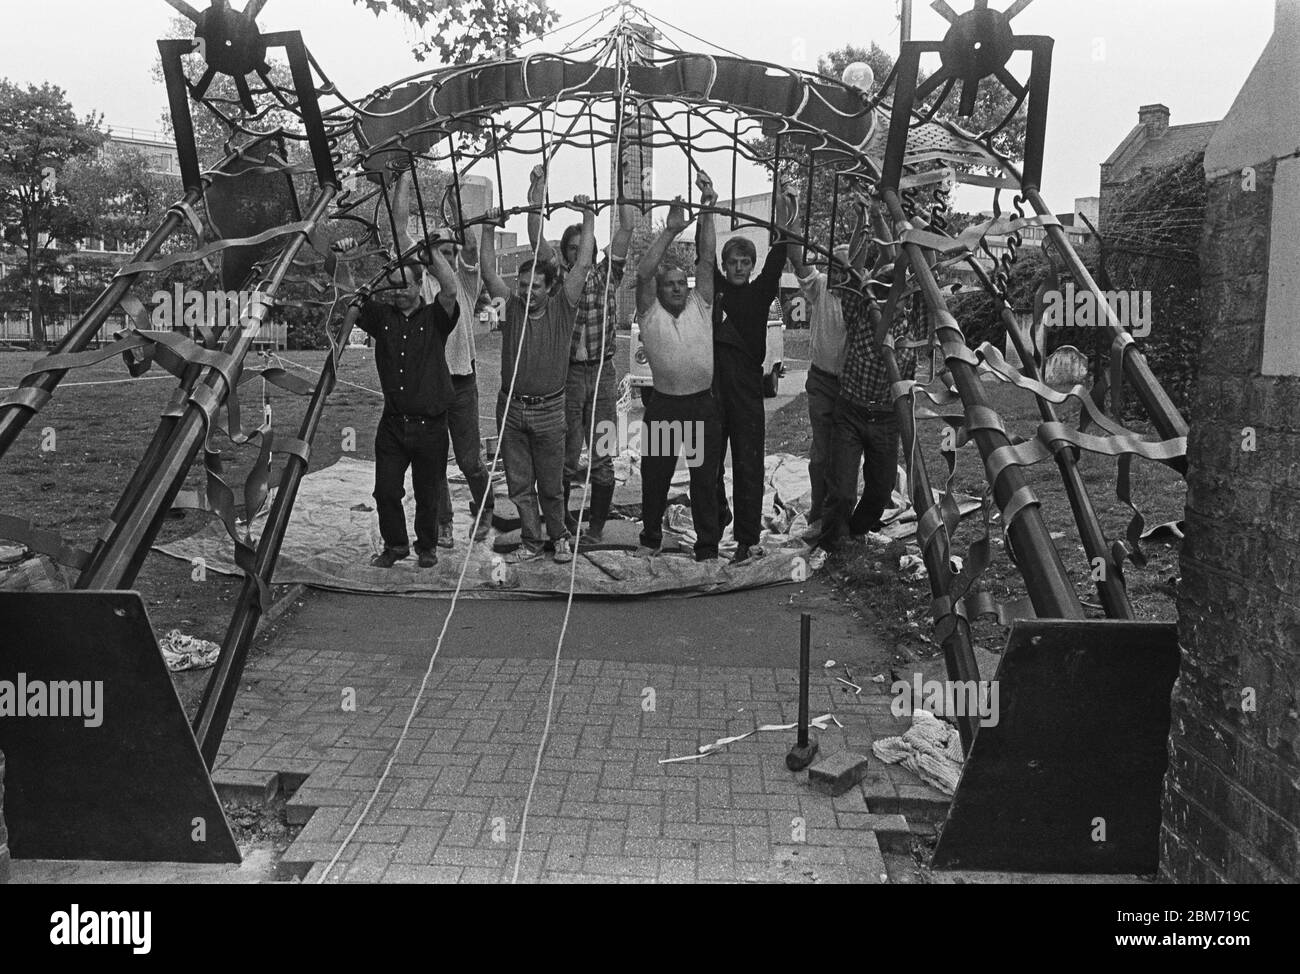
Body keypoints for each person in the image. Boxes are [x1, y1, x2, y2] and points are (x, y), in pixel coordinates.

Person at [479, 196, 597, 563]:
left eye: (538, 287)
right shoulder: (512, 307)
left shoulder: (564, 307)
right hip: (511, 409)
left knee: (551, 484)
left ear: (550, 287)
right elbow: (487, 271)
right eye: (525, 286)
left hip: (549, 411)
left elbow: (583, 264)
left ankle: (558, 537)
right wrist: (487, 228)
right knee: (518, 485)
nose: (530, 293)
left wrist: (588, 216)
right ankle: (531, 542)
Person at [526, 165, 636, 543]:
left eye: (582, 247)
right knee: (567, 453)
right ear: (565, 254)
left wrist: (619, 189)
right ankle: (564, 524)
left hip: (603, 373)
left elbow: (626, 229)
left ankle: (598, 529)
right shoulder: (559, 282)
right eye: (572, 249)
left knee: (603, 454)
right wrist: (536, 195)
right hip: (570, 374)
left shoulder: (608, 276)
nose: (578, 253)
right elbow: (536, 238)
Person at [391, 171, 495, 549]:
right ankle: (444, 521)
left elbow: (468, 243)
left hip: (463, 381)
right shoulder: (424, 284)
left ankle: (484, 508)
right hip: (431, 384)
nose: (450, 257)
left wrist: (458, 208)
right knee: (432, 462)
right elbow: (400, 227)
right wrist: (403, 178)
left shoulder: (465, 284)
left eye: (452, 252)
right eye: (442, 252)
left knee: (469, 460)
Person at [355, 246, 462, 569]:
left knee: (428, 491)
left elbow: (451, 288)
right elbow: (350, 294)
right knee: (385, 490)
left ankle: (426, 546)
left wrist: (432, 255)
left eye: (405, 285)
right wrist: (345, 258)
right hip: (393, 424)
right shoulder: (381, 318)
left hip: (430, 424)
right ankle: (396, 545)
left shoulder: (436, 318)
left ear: (419, 285)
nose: (399, 292)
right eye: (393, 286)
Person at [634, 176, 723, 562]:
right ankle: (650, 537)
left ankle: (707, 547)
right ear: (659, 289)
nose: (676, 288)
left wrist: (707, 210)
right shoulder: (649, 312)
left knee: (705, 479)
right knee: (655, 477)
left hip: (701, 406)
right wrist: (671, 230)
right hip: (664, 407)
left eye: (680, 283)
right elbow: (642, 273)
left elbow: (707, 260)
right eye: (668, 284)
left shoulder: (701, 303)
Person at [712, 189, 796, 563]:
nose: (740, 267)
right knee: (707, 464)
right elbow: (703, 255)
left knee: (748, 465)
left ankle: (747, 540)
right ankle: (713, 526)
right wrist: (708, 206)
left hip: (747, 389)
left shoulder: (760, 292)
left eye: (746, 261)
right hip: (715, 391)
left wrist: (783, 215)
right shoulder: (714, 290)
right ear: (725, 265)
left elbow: (779, 255)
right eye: (734, 262)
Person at [821, 244, 917, 551]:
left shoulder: (913, 328)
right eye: (883, 291)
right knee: (842, 491)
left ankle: (856, 531)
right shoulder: (860, 315)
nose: (890, 299)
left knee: (881, 489)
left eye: (896, 293)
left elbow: (928, 275)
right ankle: (833, 545)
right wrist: (866, 222)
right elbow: (849, 278)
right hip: (851, 411)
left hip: (887, 418)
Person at [788, 240, 852, 542]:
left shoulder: (862, 294)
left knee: (847, 451)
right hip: (823, 381)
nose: (841, 274)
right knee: (821, 453)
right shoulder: (821, 287)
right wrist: (789, 218)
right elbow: (799, 261)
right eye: (836, 268)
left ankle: (840, 513)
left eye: (847, 268)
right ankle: (818, 508)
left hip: (853, 386)